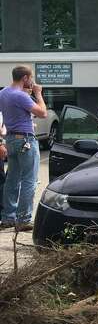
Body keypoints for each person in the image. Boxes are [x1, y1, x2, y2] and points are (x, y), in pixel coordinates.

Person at [0, 66, 48, 231]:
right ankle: (24, 220)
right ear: (25, 78)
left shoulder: (4, 92)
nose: (33, 81)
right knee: (29, 180)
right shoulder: (20, 96)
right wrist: (38, 94)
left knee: (12, 179)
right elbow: (43, 113)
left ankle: (8, 218)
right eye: (31, 77)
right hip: (25, 140)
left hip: (11, 139)